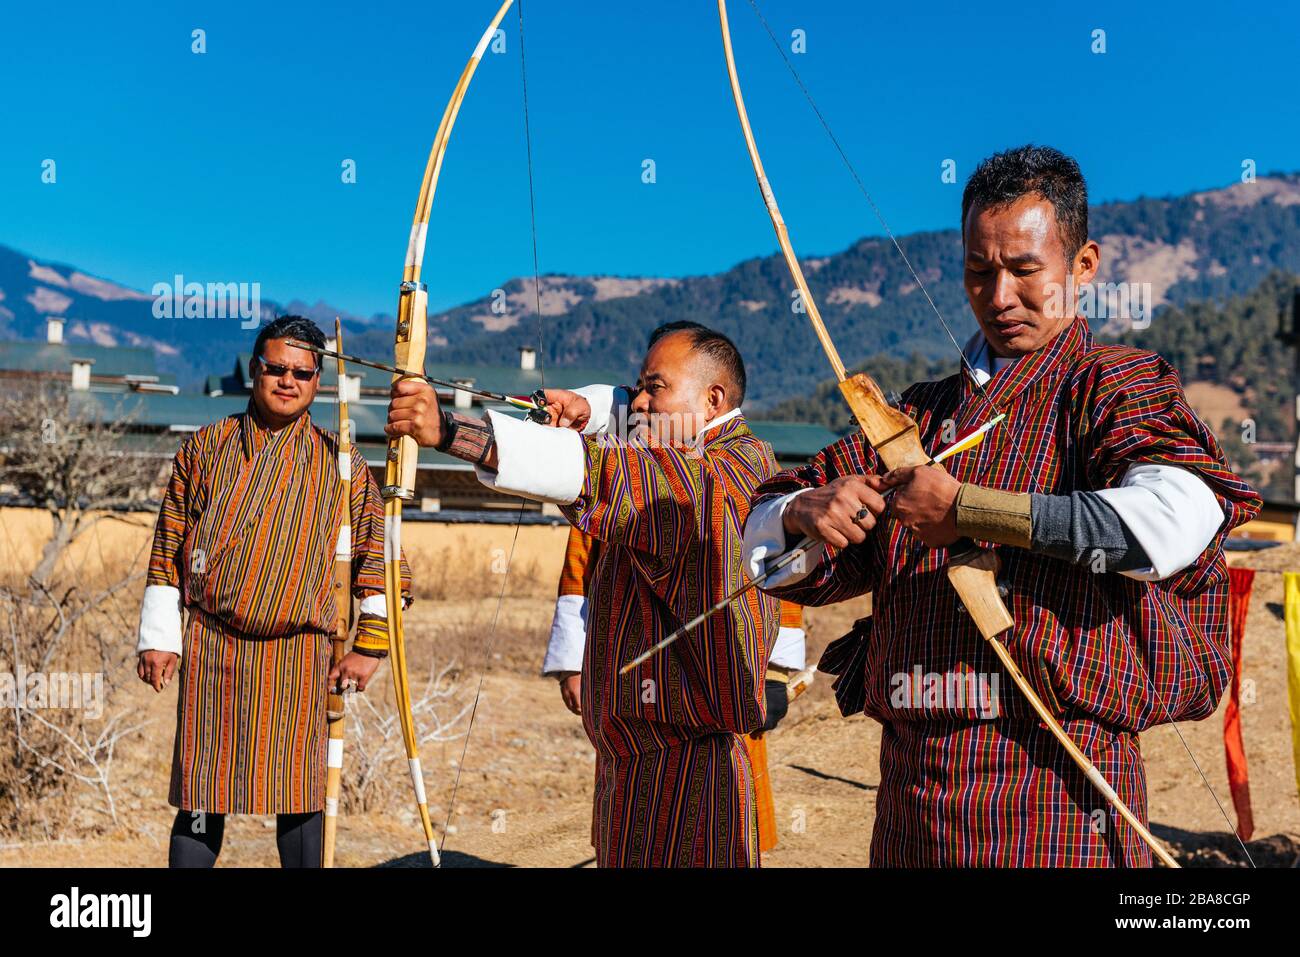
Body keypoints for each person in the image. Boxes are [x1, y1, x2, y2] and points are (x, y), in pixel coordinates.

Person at [742, 145, 1262, 866]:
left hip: (1060, 802)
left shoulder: (1116, 387)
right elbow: (763, 538)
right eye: (978, 272)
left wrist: (970, 511)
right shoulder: (916, 419)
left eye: (1024, 270)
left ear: (1083, 266)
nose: (1000, 295)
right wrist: (807, 507)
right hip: (912, 810)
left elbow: (1170, 524)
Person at [386, 321, 778, 866]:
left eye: (655, 387)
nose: (639, 401)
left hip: (689, 761)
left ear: (712, 399)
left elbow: (612, 474)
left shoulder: (730, 469)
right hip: (637, 752)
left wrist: (452, 431)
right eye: (636, 387)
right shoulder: (684, 443)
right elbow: (628, 420)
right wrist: (591, 411)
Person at [136, 315, 410, 867]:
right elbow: (168, 547)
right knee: (199, 797)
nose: (288, 381)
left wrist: (370, 644)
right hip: (215, 645)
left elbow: (378, 558)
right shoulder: (204, 448)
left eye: (302, 373)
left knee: (301, 795)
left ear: (318, 381)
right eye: (275, 368)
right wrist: (159, 637)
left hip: (301, 652)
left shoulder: (343, 465)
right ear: (256, 370)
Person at [543, 523, 807, 852]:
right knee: (634, 816)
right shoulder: (612, 472)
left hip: (731, 663)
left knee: (728, 816)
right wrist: (572, 664)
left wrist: (777, 671)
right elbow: (580, 565)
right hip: (630, 665)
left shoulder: (754, 472)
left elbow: (781, 565)